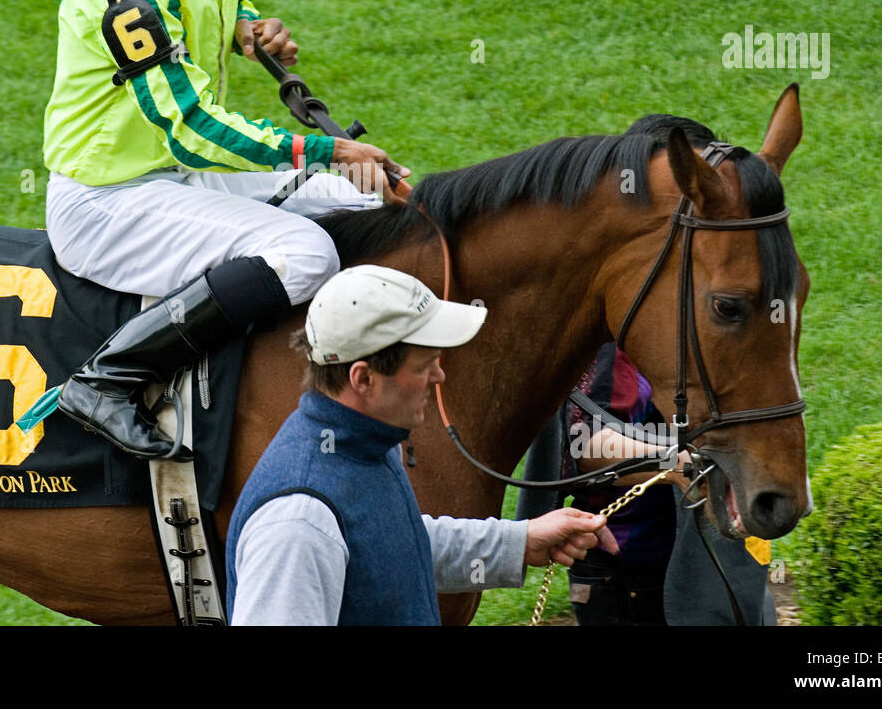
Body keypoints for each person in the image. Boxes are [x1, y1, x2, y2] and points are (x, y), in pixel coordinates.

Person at [40, 0, 407, 459]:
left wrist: (245, 25)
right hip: (108, 199)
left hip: (167, 178)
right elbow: (191, 129)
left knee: (362, 199)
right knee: (305, 252)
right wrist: (323, 150)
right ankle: (107, 381)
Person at [225, 265, 618, 625]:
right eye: (424, 364)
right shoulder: (298, 525)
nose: (439, 375)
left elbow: (392, 544)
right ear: (364, 379)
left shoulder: (366, 442)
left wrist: (520, 542)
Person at [515, 343, 777, 626]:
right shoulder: (613, 344)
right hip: (629, 579)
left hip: (723, 563)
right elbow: (586, 446)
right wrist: (681, 466)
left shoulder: (715, 330)